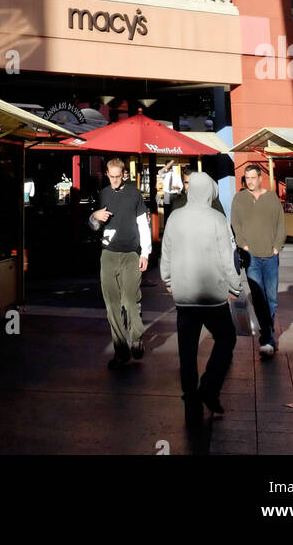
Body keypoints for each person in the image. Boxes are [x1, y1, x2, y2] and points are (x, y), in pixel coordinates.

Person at [160, 172, 241, 422]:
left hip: (184, 295)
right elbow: (229, 258)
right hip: (212, 295)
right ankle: (209, 386)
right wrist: (234, 286)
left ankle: (190, 395)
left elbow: (167, 252)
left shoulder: (175, 217)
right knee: (226, 338)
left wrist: (168, 280)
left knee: (187, 349)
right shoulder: (217, 219)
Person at [89, 156, 151, 369]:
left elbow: (143, 224)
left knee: (131, 300)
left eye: (118, 176)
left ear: (124, 174)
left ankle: (136, 338)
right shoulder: (103, 194)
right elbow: (94, 226)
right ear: (107, 174)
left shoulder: (134, 194)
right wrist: (94, 216)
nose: (115, 180)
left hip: (131, 254)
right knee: (112, 305)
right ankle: (120, 351)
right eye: (111, 176)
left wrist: (146, 253)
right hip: (108, 253)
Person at [231, 163, 286, 356]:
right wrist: (244, 245)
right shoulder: (239, 199)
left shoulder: (271, 198)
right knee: (259, 297)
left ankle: (267, 333)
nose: (250, 182)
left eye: (253, 178)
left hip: (271, 256)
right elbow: (235, 225)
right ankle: (268, 338)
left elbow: (281, 224)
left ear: (260, 178)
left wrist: (277, 246)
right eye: (247, 179)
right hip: (251, 256)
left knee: (272, 298)